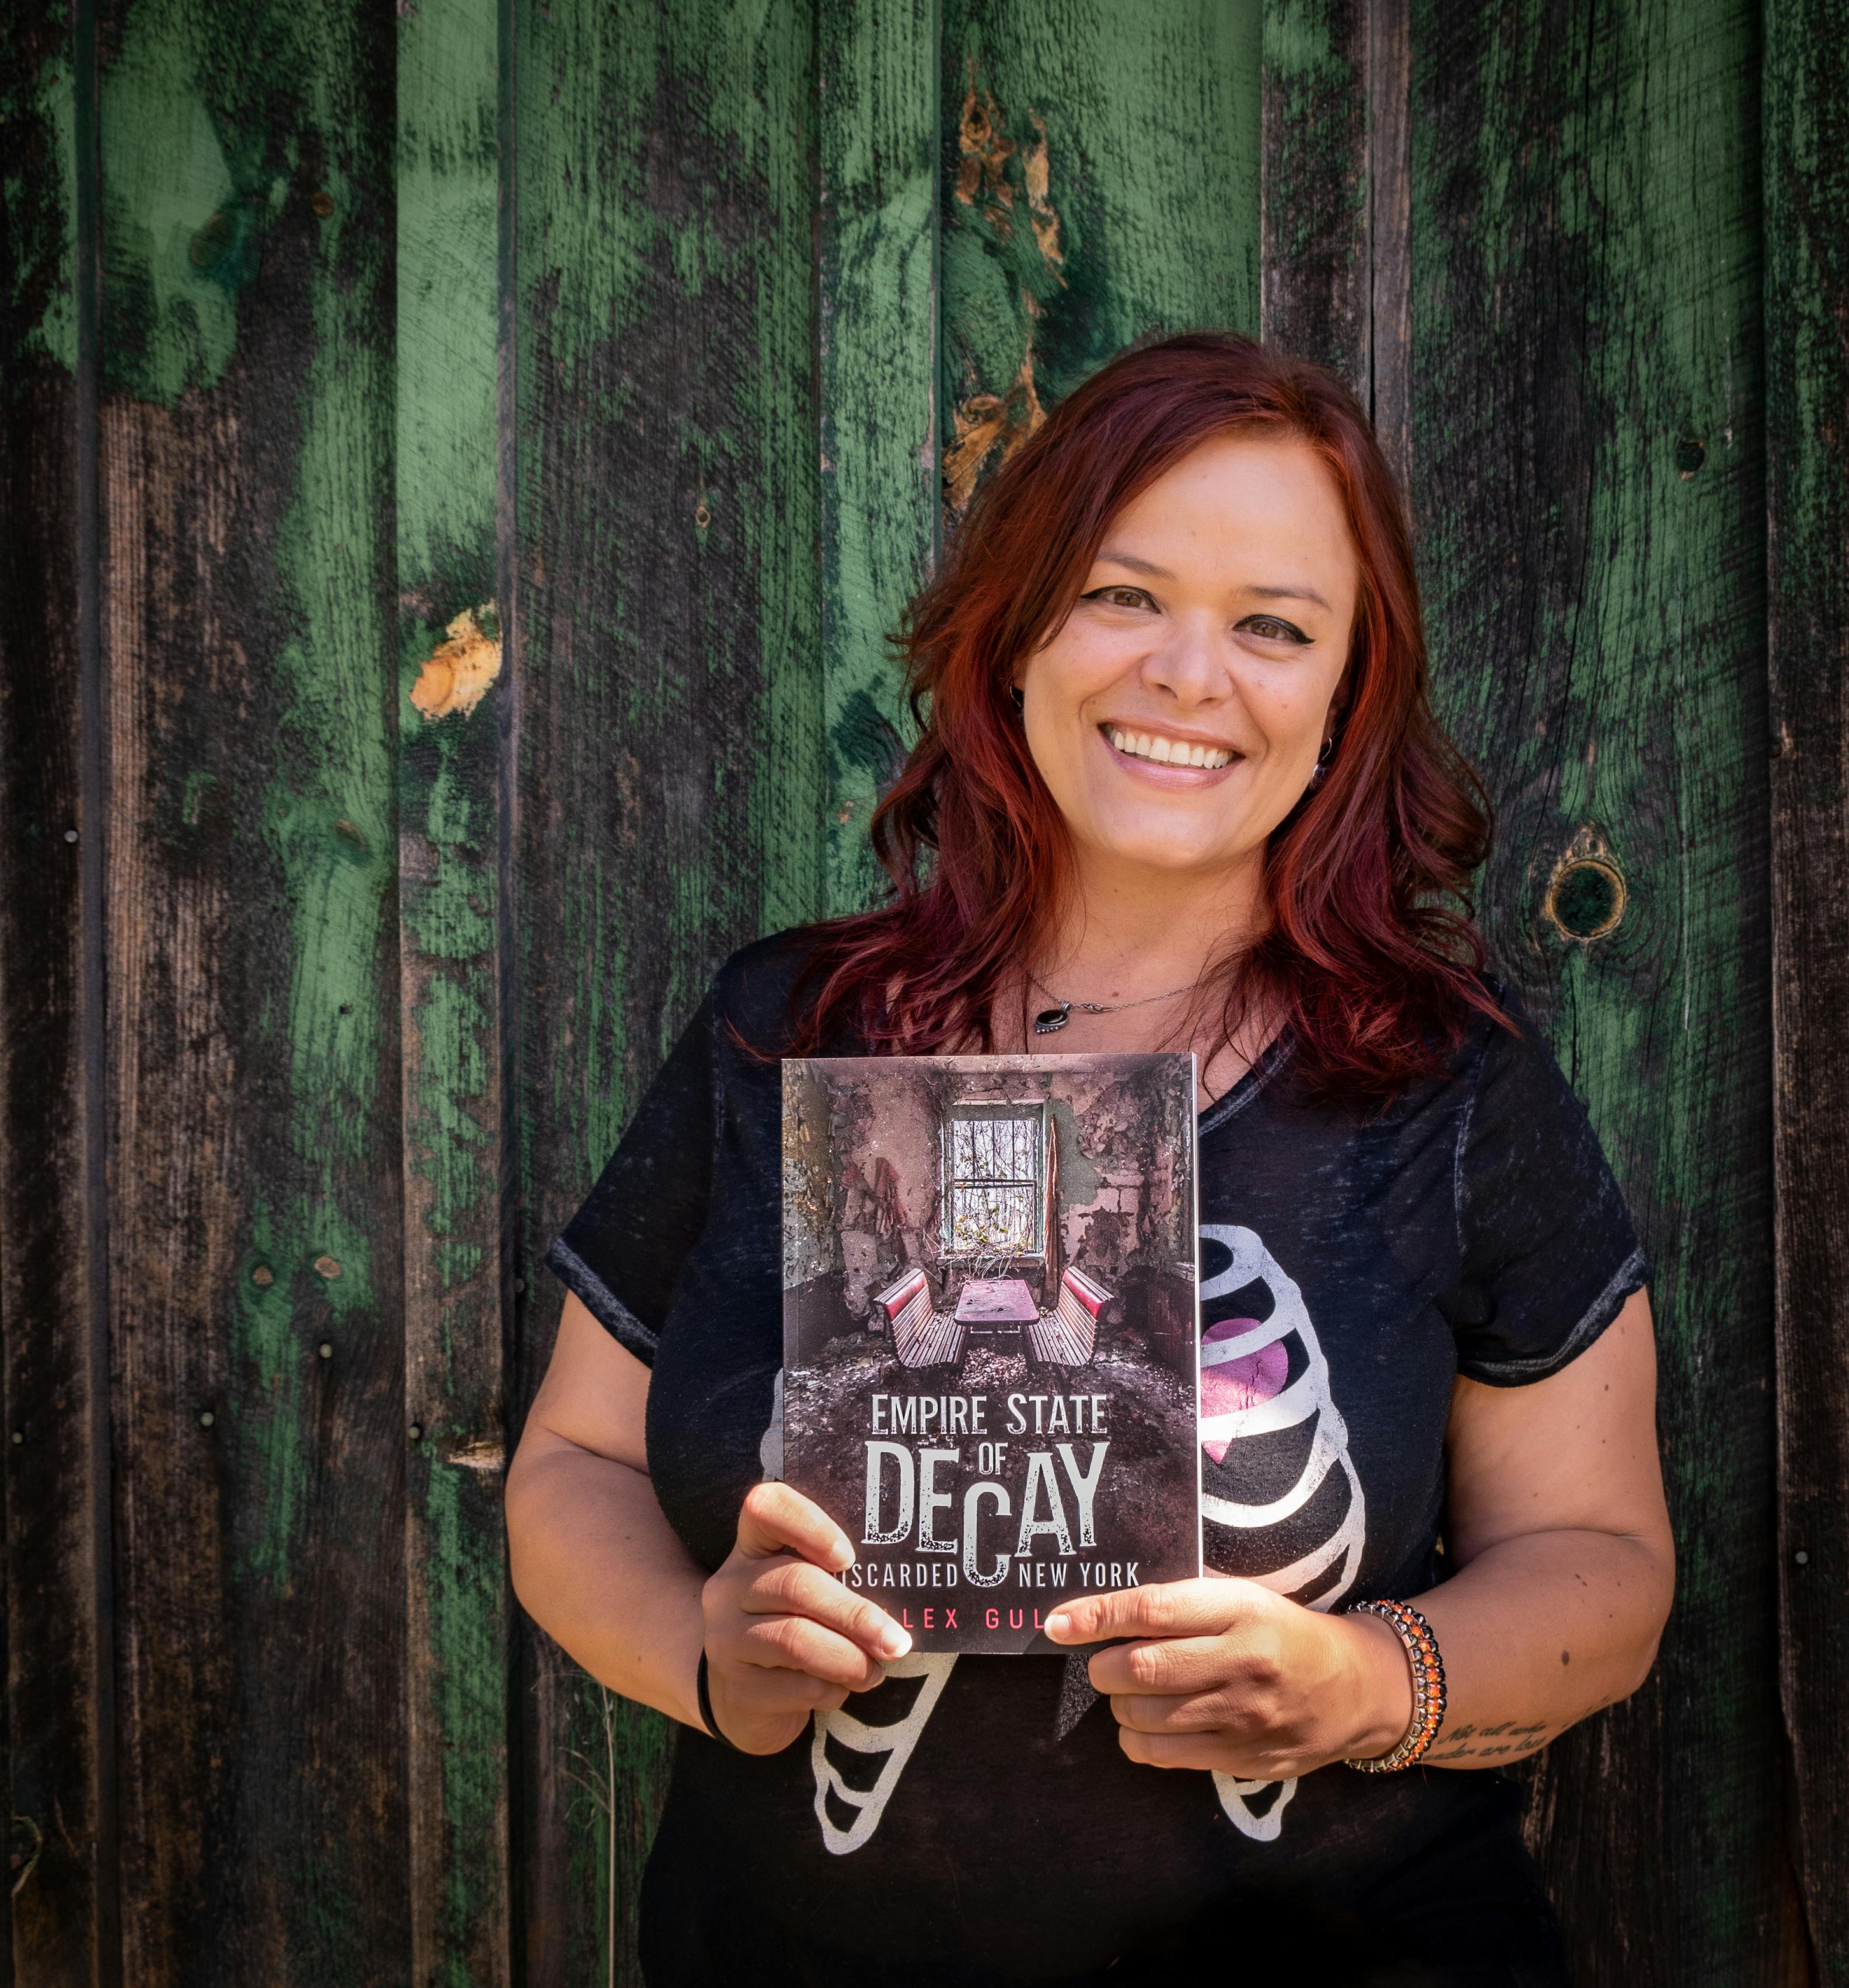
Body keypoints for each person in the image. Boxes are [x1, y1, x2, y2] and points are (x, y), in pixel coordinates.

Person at [505, 332, 1673, 1985]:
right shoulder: (785, 1029)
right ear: (1017, 631)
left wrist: (1361, 1680)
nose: (1190, 675)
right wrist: (704, 1661)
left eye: (1273, 626)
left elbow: (1605, 1569)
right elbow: (573, 1466)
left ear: (1346, 698)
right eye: (1124, 595)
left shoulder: (1445, 1087)